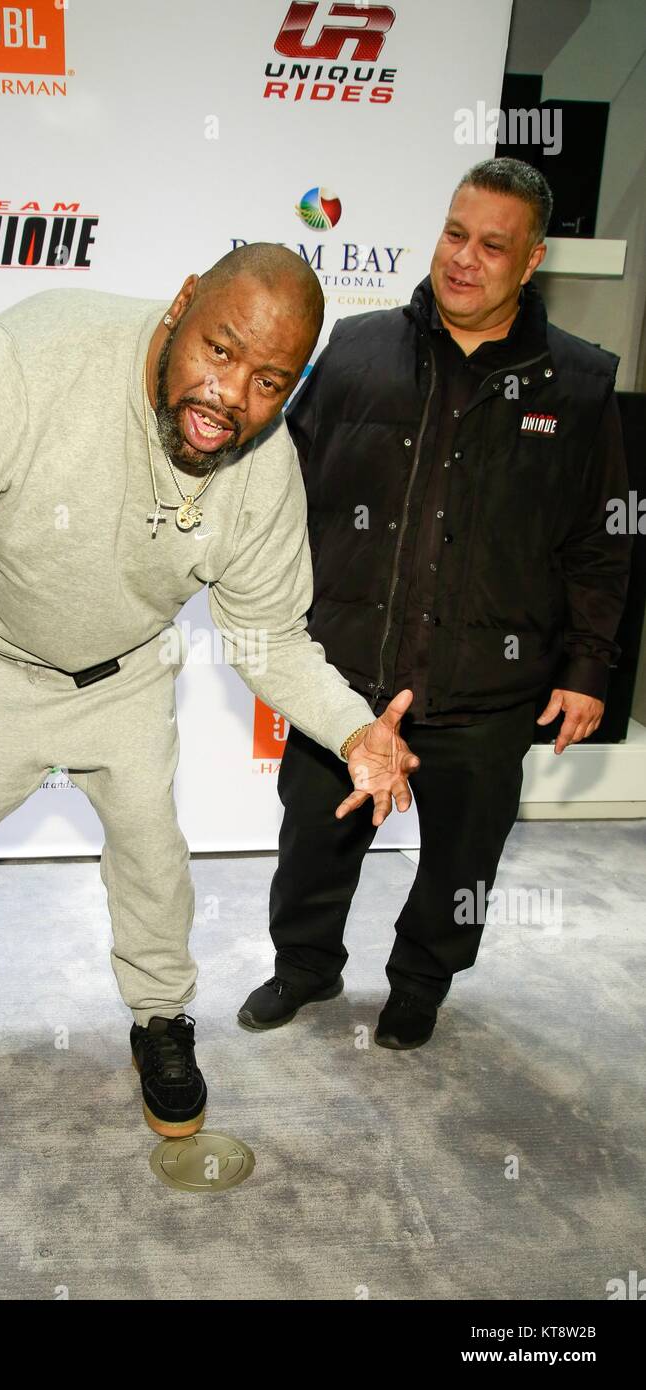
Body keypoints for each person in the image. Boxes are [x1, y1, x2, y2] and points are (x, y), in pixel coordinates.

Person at [0, 243, 420, 1135]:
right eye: (221, 351)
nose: (231, 400)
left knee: (152, 848)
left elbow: (267, 635)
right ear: (182, 305)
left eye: (271, 381)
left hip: (120, 671)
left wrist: (355, 732)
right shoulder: (36, 363)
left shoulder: (262, 469)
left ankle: (161, 1019)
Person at [238, 160, 632, 1048]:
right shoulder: (355, 348)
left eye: (494, 245)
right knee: (312, 842)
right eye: (456, 233)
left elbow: (600, 542)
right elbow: (279, 494)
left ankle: (421, 980)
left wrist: (589, 666)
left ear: (530, 261)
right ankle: (303, 967)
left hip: (489, 687)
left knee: (462, 862)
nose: (465, 258)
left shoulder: (577, 384)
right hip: (346, 675)